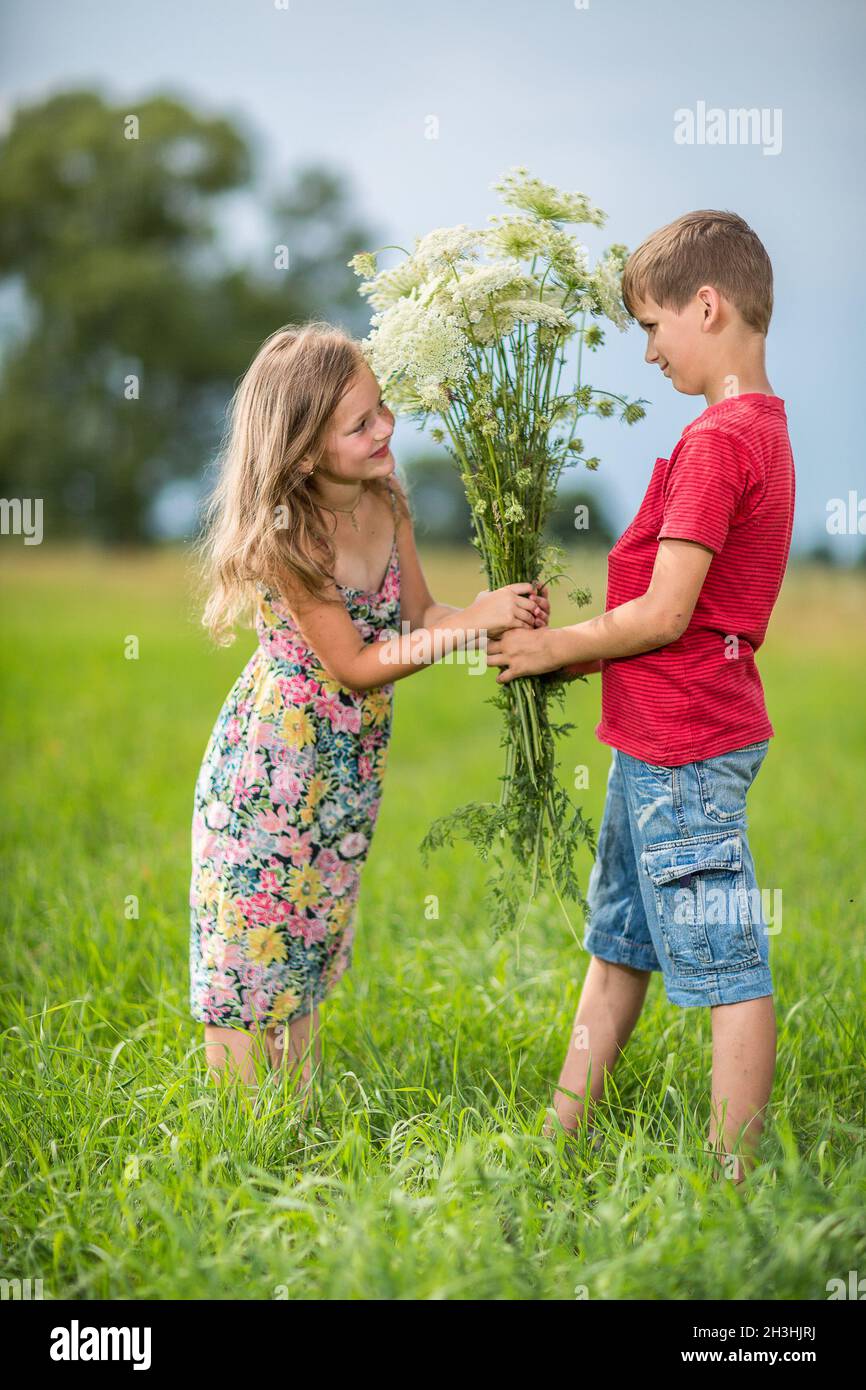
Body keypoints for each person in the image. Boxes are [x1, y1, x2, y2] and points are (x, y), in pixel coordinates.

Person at [485, 211, 795, 1183]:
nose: (650, 348)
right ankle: (558, 1137)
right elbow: (685, 617)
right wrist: (572, 658)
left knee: (724, 959)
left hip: (685, 746)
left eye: (653, 324)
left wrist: (552, 648)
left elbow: (665, 614)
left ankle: (732, 1176)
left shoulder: (716, 442)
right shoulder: (759, 431)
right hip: (653, 739)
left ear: (706, 305)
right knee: (617, 940)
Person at [190, 320, 549, 1115]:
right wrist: (474, 622)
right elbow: (354, 665)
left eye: (382, 407)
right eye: (361, 424)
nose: (386, 428)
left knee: (309, 934)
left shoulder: (387, 499)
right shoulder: (290, 539)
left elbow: (419, 617)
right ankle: (239, 1130)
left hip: (347, 770)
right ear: (306, 449)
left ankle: (294, 1122)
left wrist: (499, 614)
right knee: (255, 943)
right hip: (273, 768)